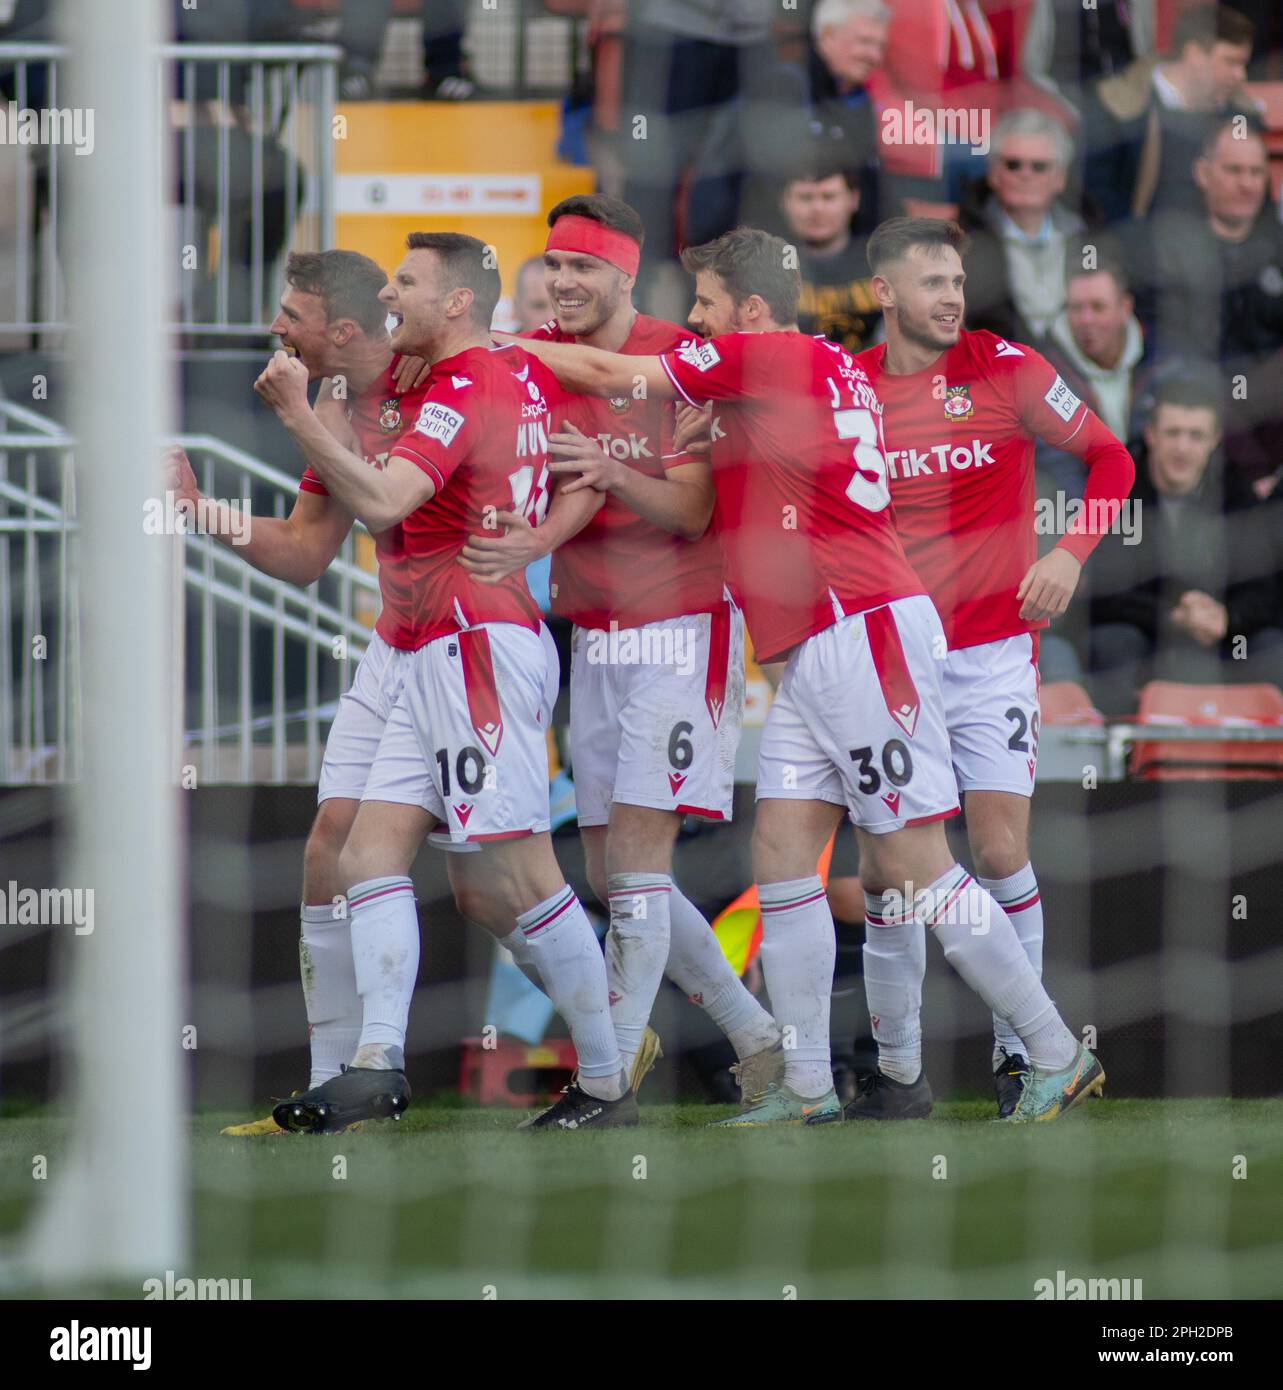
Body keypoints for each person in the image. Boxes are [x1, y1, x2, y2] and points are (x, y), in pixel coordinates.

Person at [508, 225, 1106, 1126]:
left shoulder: (770, 357)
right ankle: (806, 1085)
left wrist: (486, 347)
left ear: (749, 310)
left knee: (912, 863)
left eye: (705, 304)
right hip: (813, 651)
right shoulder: (815, 370)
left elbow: (602, 375)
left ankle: (1054, 1050)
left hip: (854, 629)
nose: (694, 322)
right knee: (783, 858)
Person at [250, 233, 639, 1132]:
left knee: (522, 873)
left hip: (476, 646)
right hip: (430, 646)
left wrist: (303, 416)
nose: (392, 294)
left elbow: (385, 502)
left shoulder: (471, 383)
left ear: (458, 302)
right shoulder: (470, 377)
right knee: (363, 854)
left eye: (409, 282)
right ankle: (376, 1066)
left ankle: (610, 1079)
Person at [460, 195, 784, 1110]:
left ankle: (602, 1076)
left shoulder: (679, 359)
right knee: (609, 874)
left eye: (582, 269)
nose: (562, 283)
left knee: (635, 870)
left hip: (681, 630)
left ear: (624, 276)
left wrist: (609, 473)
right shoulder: (535, 362)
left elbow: (691, 511)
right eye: (552, 266)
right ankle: (758, 1038)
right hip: (591, 637)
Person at [855, 217, 1135, 1117]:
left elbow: (1111, 459)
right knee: (890, 870)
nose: (950, 297)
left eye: (957, 280)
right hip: (889, 662)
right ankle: (897, 1075)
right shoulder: (849, 386)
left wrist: (1069, 554)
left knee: (999, 848)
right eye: (930, 281)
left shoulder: (1006, 365)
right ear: (883, 293)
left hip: (991, 658)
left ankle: (1022, 1059)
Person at [167, 250, 443, 1135]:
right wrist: (197, 509)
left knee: (504, 891)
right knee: (328, 842)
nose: (276, 329)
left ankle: (611, 1059)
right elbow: (304, 553)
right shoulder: (331, 402)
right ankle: (337, 1084)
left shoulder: (436, 378)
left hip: (477, 641)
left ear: (345, 330)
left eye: (292, 315)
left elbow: (394, 506)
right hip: (394, 643)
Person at [1087, 377, 1283, 714]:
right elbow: (1100, 590)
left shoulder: (1235, 492)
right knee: (1113, 643)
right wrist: (1172, 616)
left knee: (1271, 648)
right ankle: (1123, 757)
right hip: (1147, 634)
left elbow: (1266, 586)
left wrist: (1227, 618)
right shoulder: (1118, 487)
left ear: (1214, 440)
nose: (1182, 447)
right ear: (1151, 435)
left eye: (1196, 436)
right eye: (1173, 433)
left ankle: (1260, 759)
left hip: (1219, 637)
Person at [1129, 120, 1283, 490]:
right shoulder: (1167, 246)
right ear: (1202, 172)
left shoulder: (1277, 245)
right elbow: (1174, 348)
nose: (1246, 184)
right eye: (1234, 170)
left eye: (1255, 172)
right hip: (1197, 397)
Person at [1082, 3, 1256, 224]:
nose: (1240, 75)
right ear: (1194, 54)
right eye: (1231, 62)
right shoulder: (1118, 108)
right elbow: (1098, 196)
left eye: (1243, 64)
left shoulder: (1242, 115)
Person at [957, 108, 1086, 346]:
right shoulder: (961, 242)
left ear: (1060, 178)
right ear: (994, 173)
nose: (1025, 175)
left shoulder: (1089, 236)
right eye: (1013, 164)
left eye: (1039, 166)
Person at [779, 162, 882, 353]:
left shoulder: (885, 263)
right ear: (785, 201)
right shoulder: (761, 268)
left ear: (853, 199)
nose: (817, 208)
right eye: (805, 197)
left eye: (829, 197)